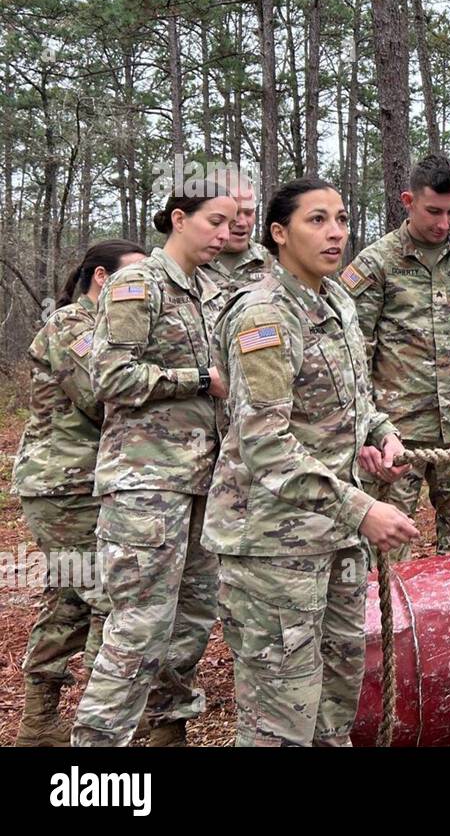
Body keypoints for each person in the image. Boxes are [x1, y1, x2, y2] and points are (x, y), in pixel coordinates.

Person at [204, 176, 419, 746]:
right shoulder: (265, 317)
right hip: (272, 545)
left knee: (335, 703)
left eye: (343, 219)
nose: (336, 234)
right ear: (278, 234)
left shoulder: (337, 300)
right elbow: (266, 443)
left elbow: (357, 402)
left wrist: (384, 436)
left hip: (335, 539)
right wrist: (361, 508)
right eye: (317, 220)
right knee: (281, 715)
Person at [71, 189, 236, 747]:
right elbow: (110, 377)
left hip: (202, 483)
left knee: (190, 625)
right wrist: (194, 378)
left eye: (233, 223)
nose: (224, 233)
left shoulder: (212, 291)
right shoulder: (137, 283)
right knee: (138, 627)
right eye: (214, 221)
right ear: (180, 218)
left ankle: (167, 736)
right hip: (146, 483)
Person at [342, 152, 450, 560]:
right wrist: (366, 433)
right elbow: (353, 356)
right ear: (408, 201)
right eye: (433, 211)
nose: (444, 223)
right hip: (395, 436)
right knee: (383, 557)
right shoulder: (376, 265)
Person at [11, 239, 146, 745]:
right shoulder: (73, 326)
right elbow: (102, 395)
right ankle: (105, 725)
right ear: (101, 279)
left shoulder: (110, 329)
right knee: (112, 598)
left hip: (86, 482)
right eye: (134, 278)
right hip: (64, 485)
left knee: (70, 598)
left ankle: (38, 724)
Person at [200, 167, 272, 297]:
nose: (243, 223)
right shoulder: (190, 264)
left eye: (249, 213)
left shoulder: (276, 263)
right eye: (236, 213)